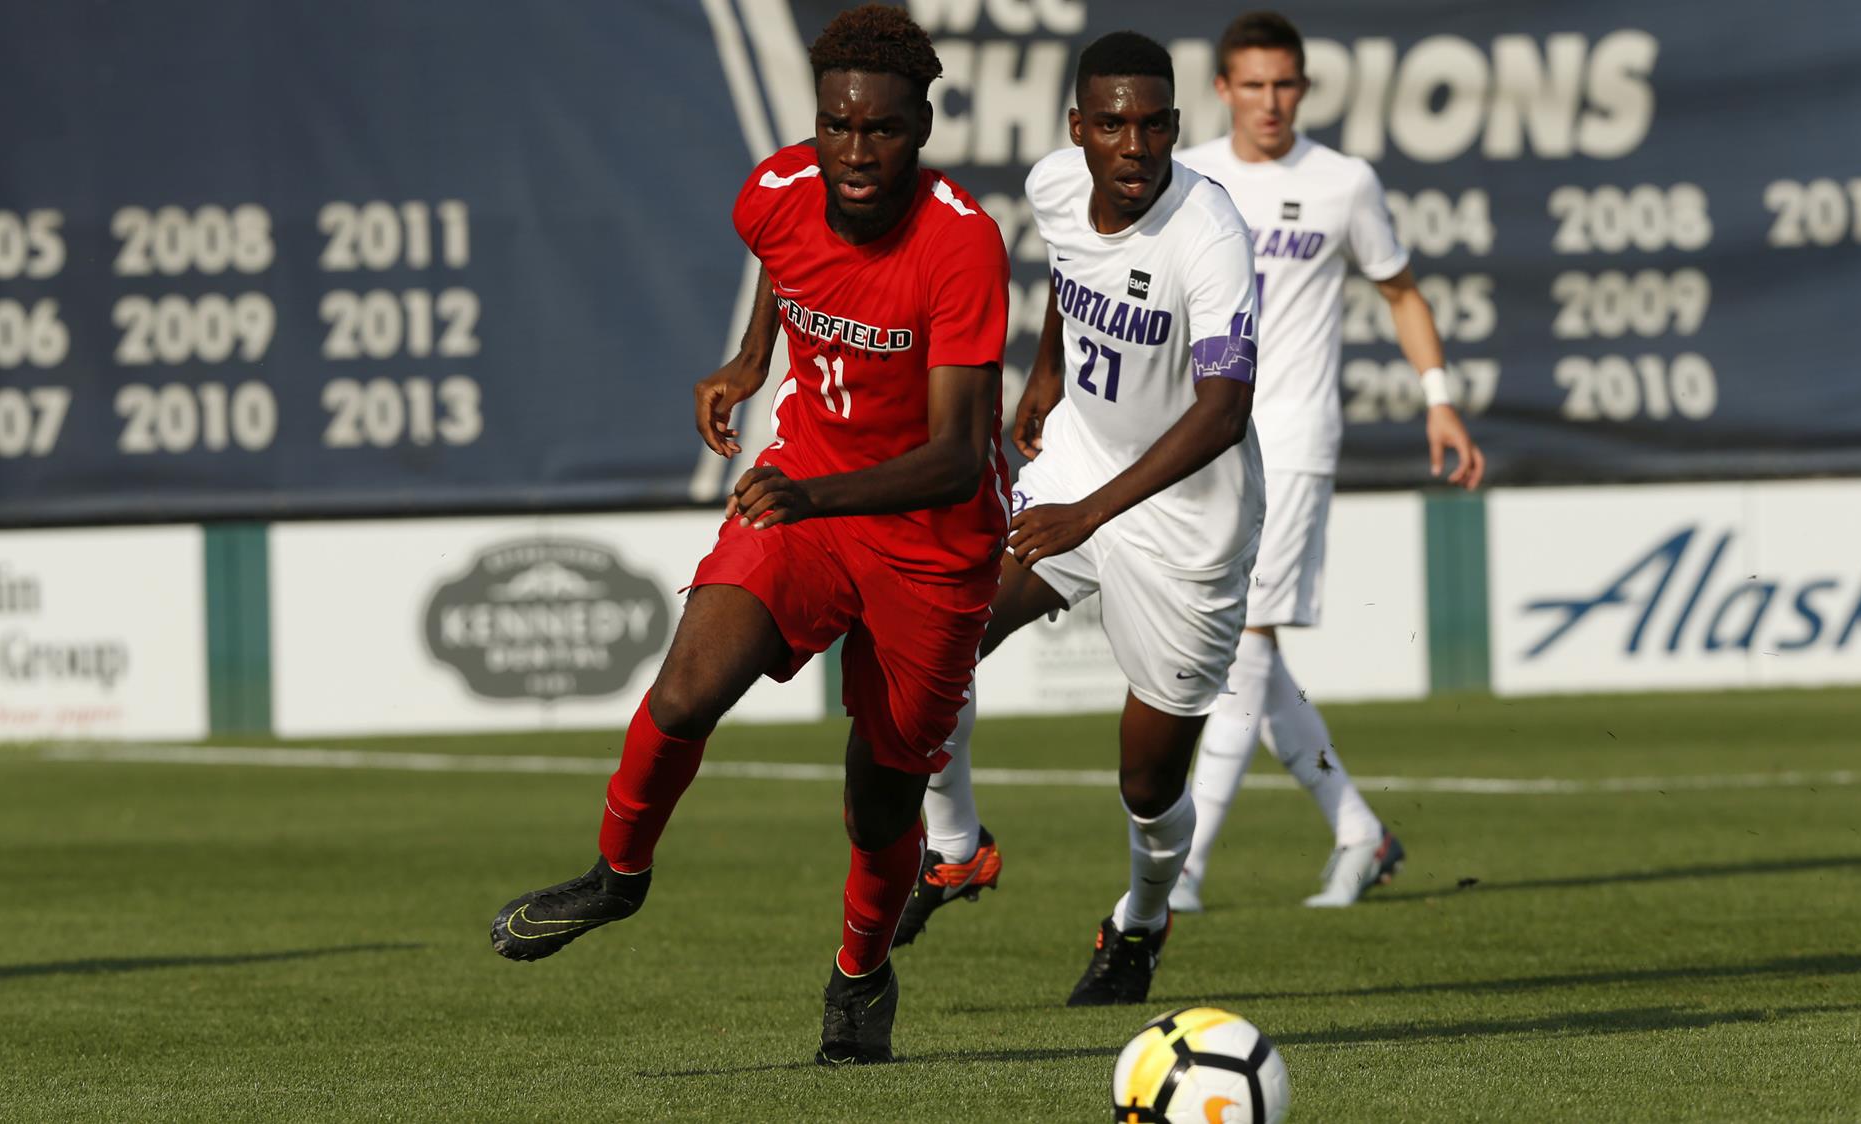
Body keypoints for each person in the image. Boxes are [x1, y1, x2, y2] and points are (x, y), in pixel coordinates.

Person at [488, 3, 1011, 1066]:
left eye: (882, 132)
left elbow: (958, 454)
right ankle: (615, 874)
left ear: (922, 127)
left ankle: (861, 968)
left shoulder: (960, 243)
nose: (855, 154)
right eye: (836, 127)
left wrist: (816, 497)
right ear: (815, 121)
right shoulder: (774, 191)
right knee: (684, 689)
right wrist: (747, 359)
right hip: (804, 491)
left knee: (880, 792)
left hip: (929, 538)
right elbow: (787, 269)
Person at [901, 30, 1263, 1007]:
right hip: (1075, 470)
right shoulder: (1055, 184)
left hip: (1188, 531)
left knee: (1146, 784)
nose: (1132, 145)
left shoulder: (1210, 236)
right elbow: (1067, 274)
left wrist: (1086, 515)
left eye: (1151, 125)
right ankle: (951, 846)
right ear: (1077, 130)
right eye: (1110, 124)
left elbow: (1223, 411)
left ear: (1176, 130)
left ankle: (1142, 918)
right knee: (936, 636)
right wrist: (1047, 372)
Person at [1173, 10, 1484, 911]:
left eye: (1286, 85)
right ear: (1224, 88)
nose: (1271, 102)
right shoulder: (1188, 178)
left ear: (1304, 89)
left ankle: (1184, 869)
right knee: (1239, 649)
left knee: (1247, 644)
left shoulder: (1344, 181)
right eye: (1254, 85)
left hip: (1296, 436)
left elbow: (1402, 290)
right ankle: (1358, 829)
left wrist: (1439, 401)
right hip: (1200, 436)